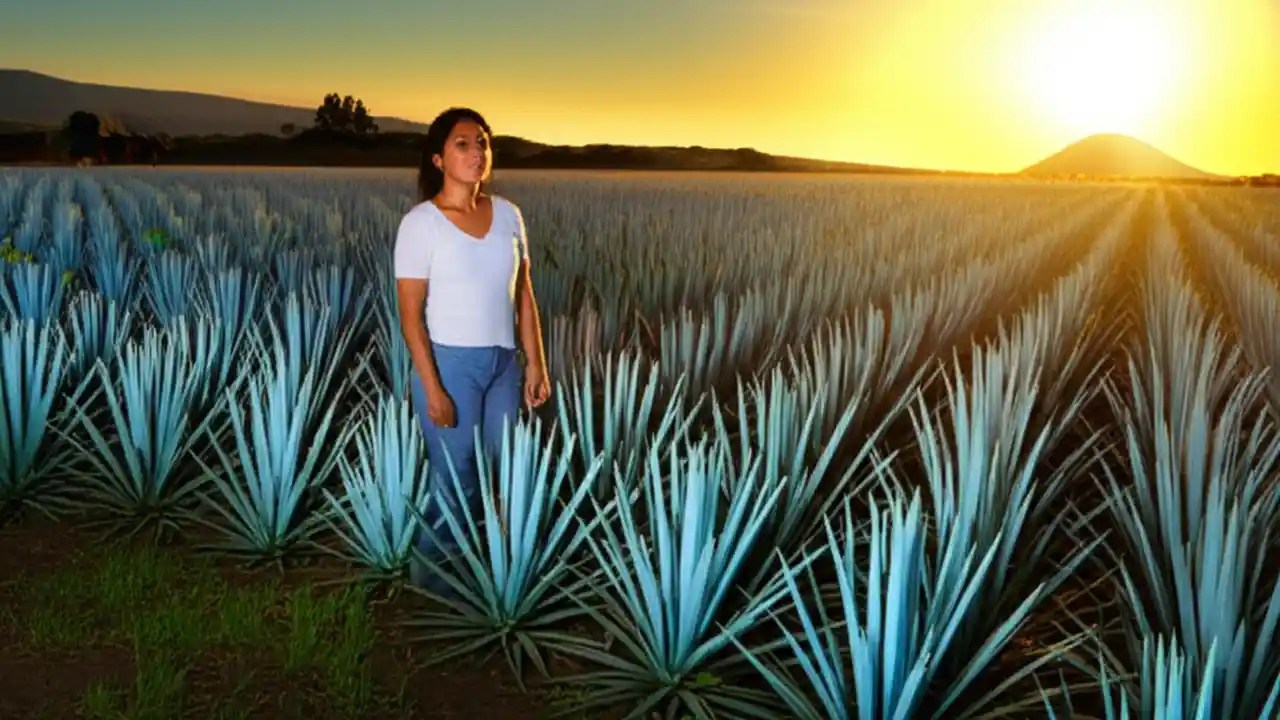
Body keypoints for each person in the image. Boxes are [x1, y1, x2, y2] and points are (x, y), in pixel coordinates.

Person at [393, 107, 551, 593]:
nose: (477, 151)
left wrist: (536, 364)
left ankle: (486, 579)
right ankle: (432, 588)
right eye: (463, 143)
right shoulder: (421, 224)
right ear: (438, 158)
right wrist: (432, 387)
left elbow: (523, 292)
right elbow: (410, 316)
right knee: (457, 478)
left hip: (503, 366)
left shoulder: (509, 215)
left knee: (503, 469)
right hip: (449, 365)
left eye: (482, 142)